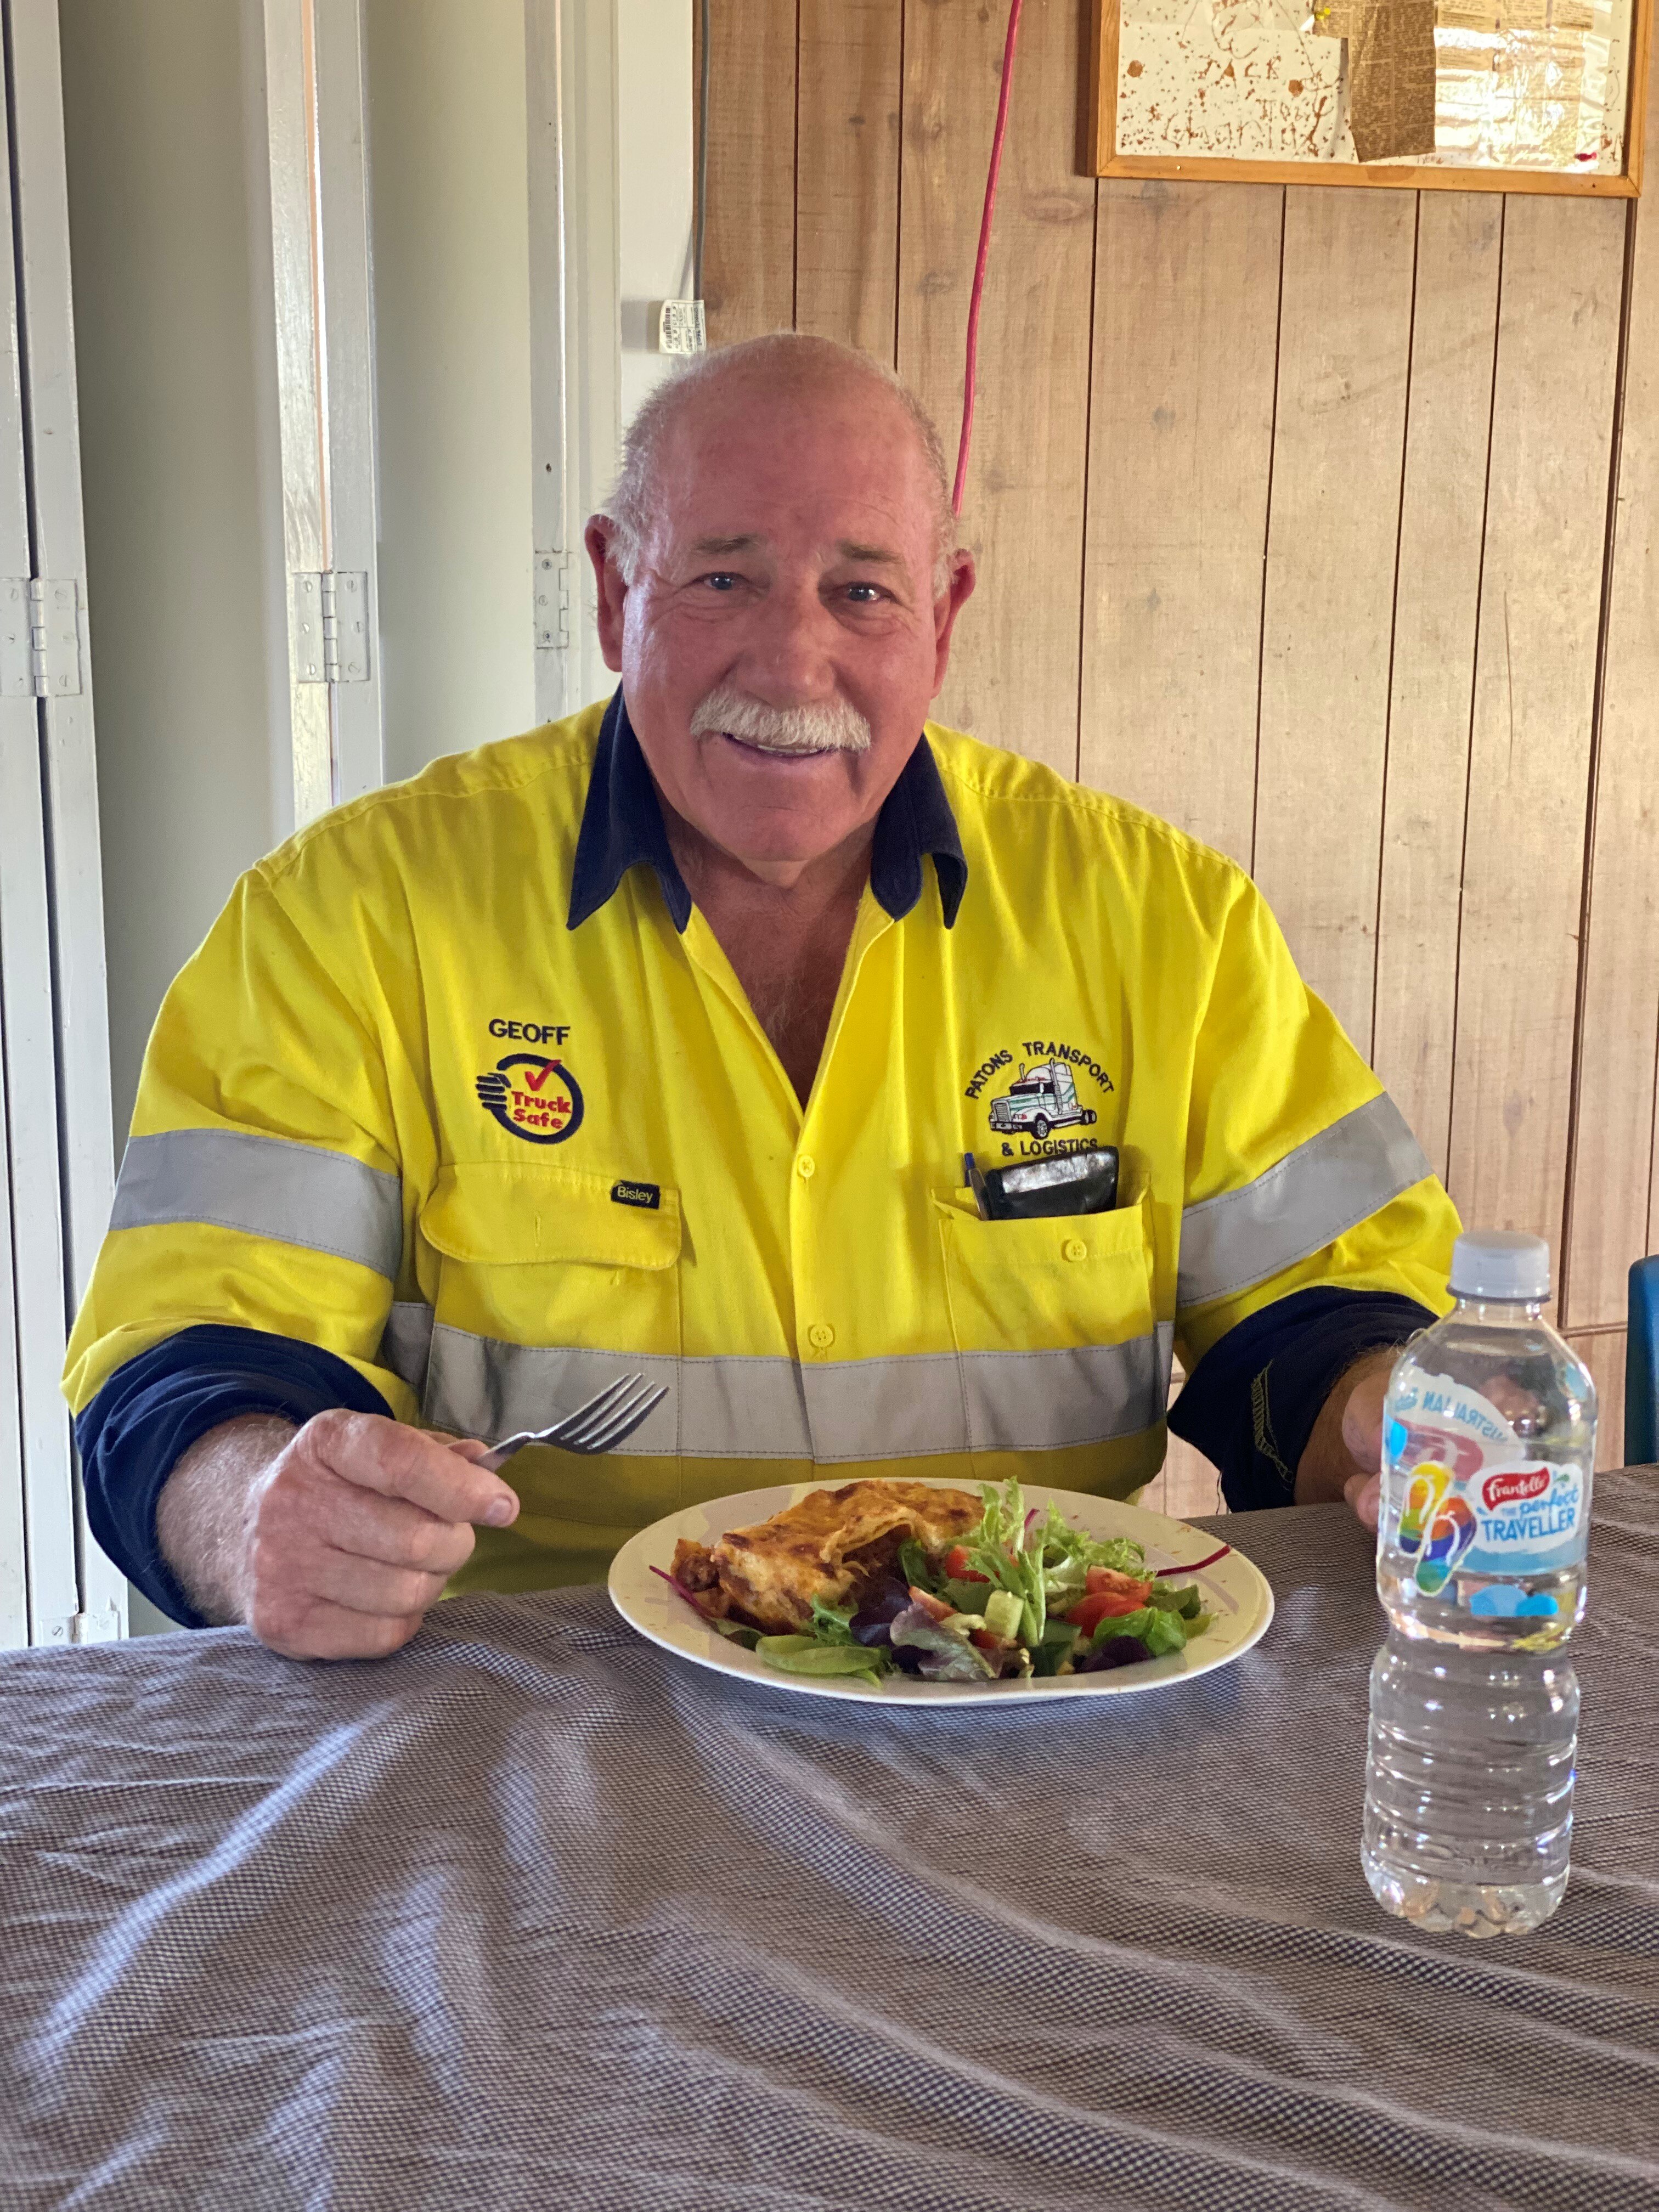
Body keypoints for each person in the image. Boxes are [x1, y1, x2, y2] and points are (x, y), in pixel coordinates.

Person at [64, 334, 1459, 1660]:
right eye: (723, 580)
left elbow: (1326, 1316)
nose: (792, 665)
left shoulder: (1164, 922)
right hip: (529, 1710)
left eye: (862, 591)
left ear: (943, 616)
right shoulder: (349, 917)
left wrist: (1380, 1411)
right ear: (614, 592)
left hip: (1035, 1691)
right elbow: (188, 1366)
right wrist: (255, 1511)